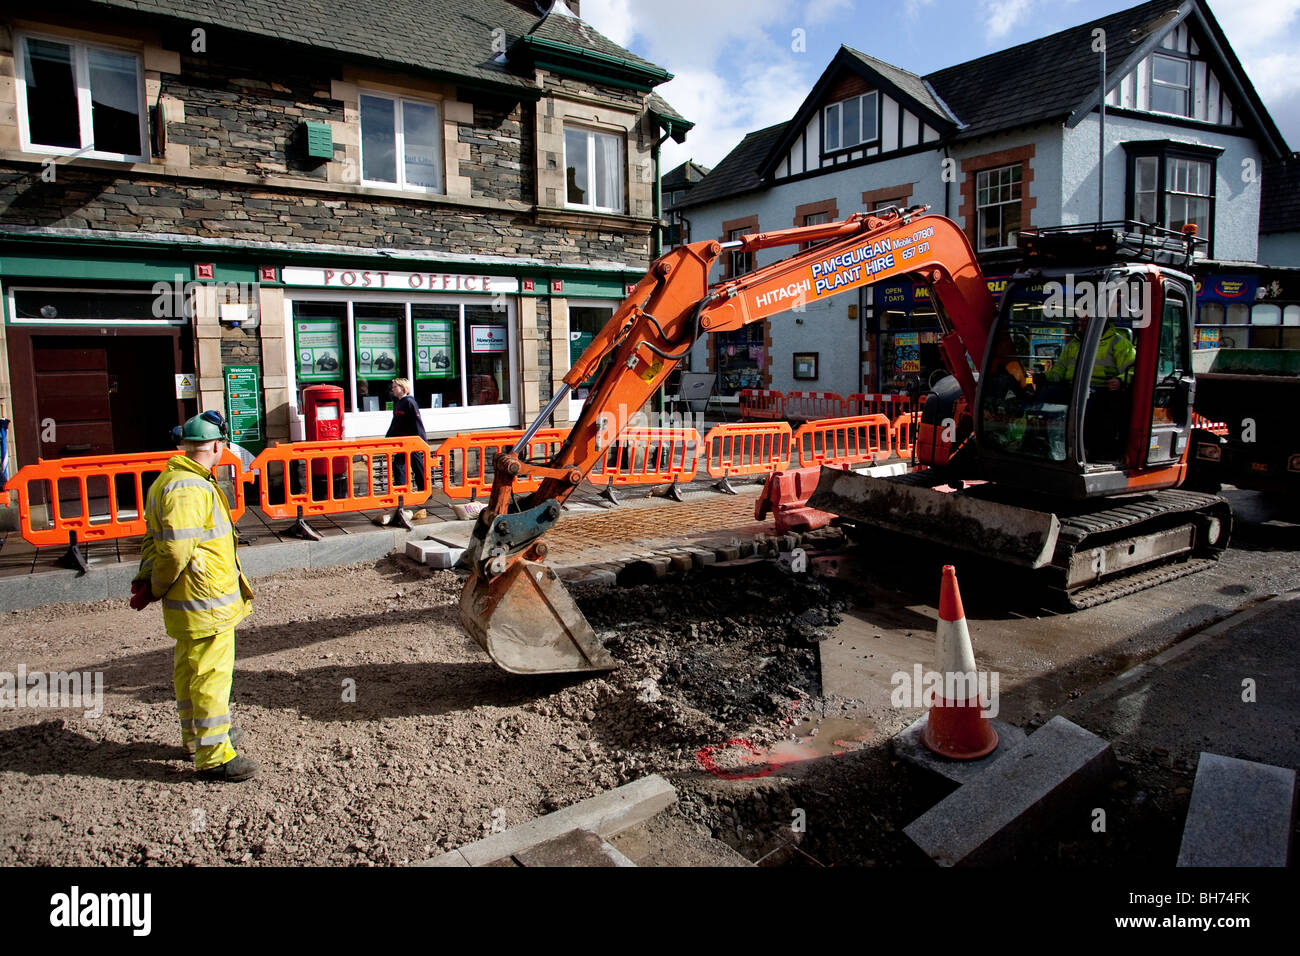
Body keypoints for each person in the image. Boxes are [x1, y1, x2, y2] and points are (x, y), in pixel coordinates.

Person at [130, 411, 258, 782]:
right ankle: (215, 756)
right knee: (210, 675)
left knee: (189, 671)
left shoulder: (170, 481)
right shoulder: (190, 488)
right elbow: (173, 551)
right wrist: (153, 586)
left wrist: (148, 581)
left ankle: (197, 739)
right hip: (206, 601)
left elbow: (154, 543)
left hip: (191, 602)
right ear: (217, 446)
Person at [1044, 303, 1137, 459]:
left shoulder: (1118, 343)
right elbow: (1059, 370)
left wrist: (1120, 380)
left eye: (1087, 321)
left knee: (1087, 403)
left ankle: (1083, 448)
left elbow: (1133, 369)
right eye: (1081, 320)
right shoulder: (1073, 344)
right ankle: (1048, 443)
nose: (1082, 324)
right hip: (1073, 387)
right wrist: (1044, 377)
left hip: (1100, 389)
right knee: (1047, 394)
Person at [386, 377, 427, 491]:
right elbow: (395, 423)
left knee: (417, 466)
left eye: (395, 387)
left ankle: (424, 490)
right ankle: (402, 491)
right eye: (392, 387)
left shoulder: (409, 402)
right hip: (403, 442)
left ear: (403, 388)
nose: (393, 389)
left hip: (413, 441)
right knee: (399, 465)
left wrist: (422, 440)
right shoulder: (397, 403)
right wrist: (388, 438)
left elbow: (417, 421)